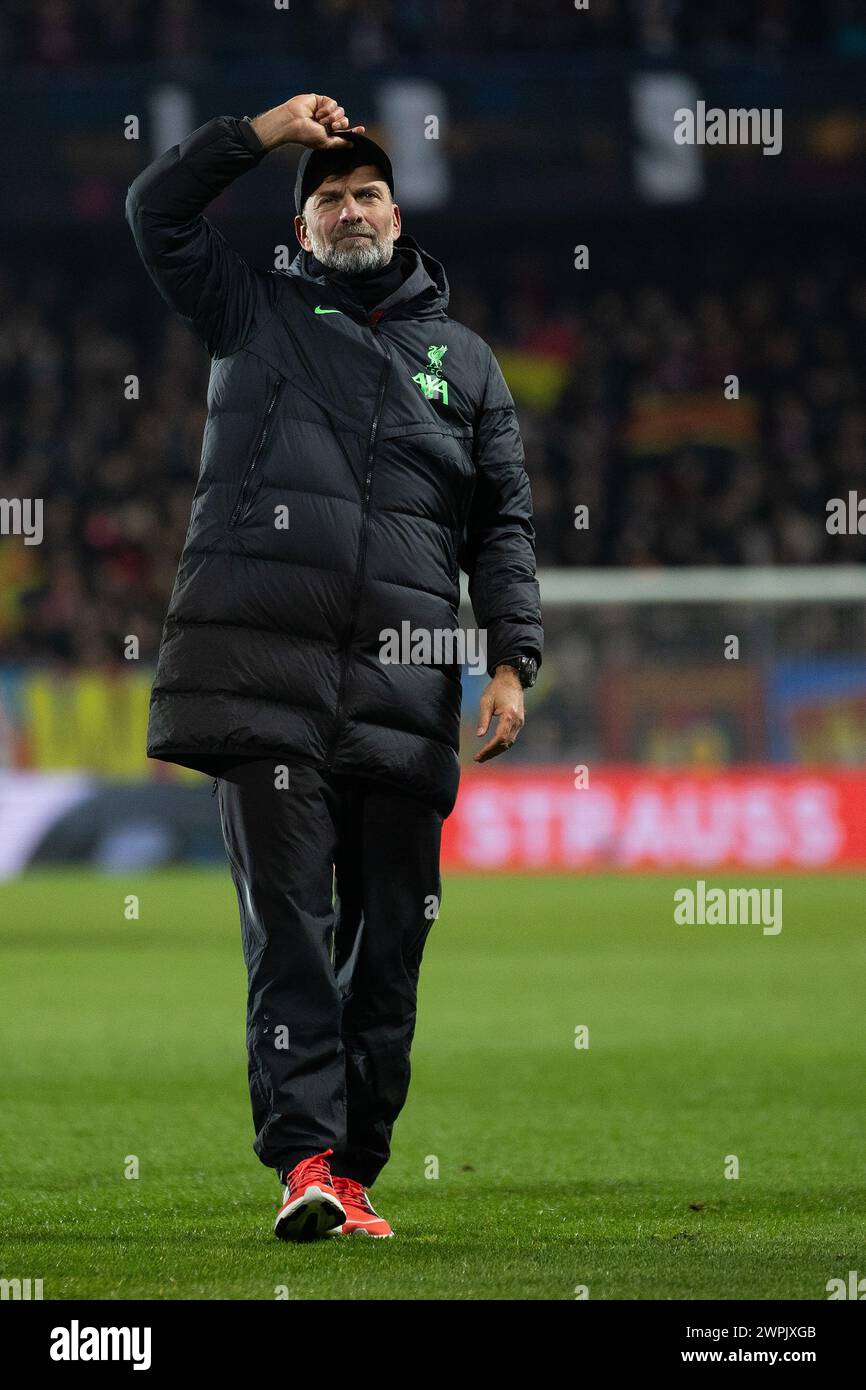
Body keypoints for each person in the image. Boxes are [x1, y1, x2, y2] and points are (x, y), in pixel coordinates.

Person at [125, 92, 543, 1241]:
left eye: (364, 192)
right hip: (264, 683)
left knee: (390, 943)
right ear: (301, 230)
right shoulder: (251, 312)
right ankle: (305, 1159)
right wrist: (264, 133)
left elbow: (499, 525)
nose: (348, 207)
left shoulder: (465, 363)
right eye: (327, 198)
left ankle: (354, 1165)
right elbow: (154, 211)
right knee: (291, 928)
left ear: (397, 216)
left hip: (405, 692)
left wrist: (512, 659)